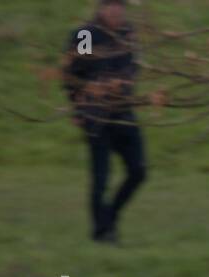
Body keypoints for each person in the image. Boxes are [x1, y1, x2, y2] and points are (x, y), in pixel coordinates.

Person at [62, 0, 146, 243]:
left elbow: (134, 69)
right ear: (101, 8)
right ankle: (102, 232)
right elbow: (73, 74)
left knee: (138, 171)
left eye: (120, 5)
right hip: (96, 116)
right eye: (111, 5)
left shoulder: (128, 34)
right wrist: (78, 107)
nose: (117, 10)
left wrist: (124, 87)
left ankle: (109, 216)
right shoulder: (87, 35)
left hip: (123, 114)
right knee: (101, 178)